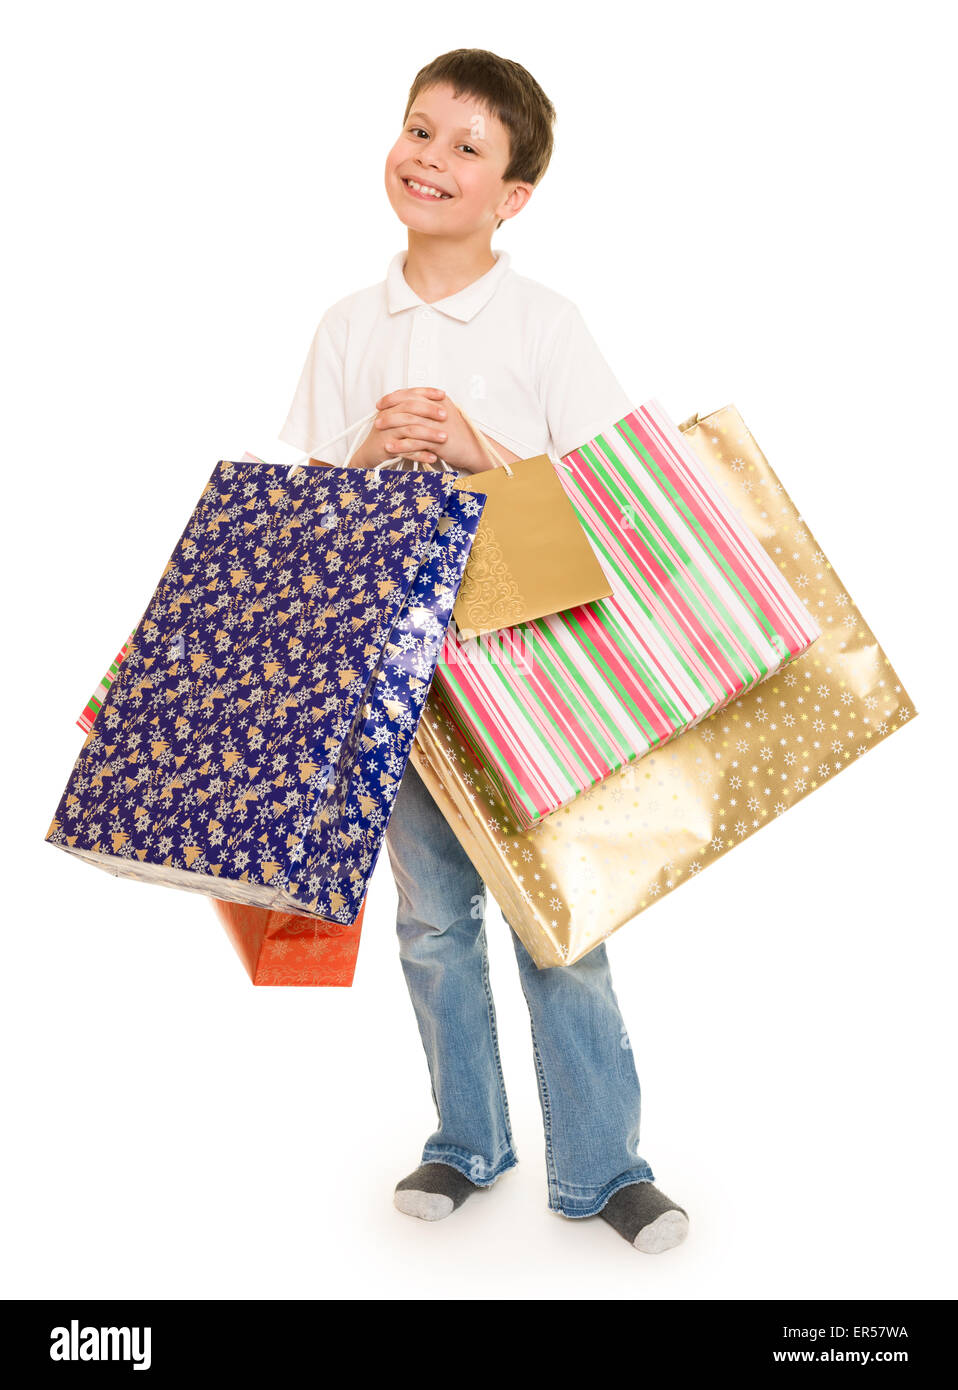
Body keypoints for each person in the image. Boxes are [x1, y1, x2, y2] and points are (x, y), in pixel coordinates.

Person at [277, 48, 689, 1255]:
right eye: (419, 130)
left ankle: (607, 1166)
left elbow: (621, 497)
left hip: (526, 668)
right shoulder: (348, 325)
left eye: (469, 147)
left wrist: (479, 444)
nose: (432, 158)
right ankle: (467, 1140)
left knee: (560, 914)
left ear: (513, 197)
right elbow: (303, 512)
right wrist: (363, 460)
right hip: (391, 671)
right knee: (430, 919)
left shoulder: (541, 323)